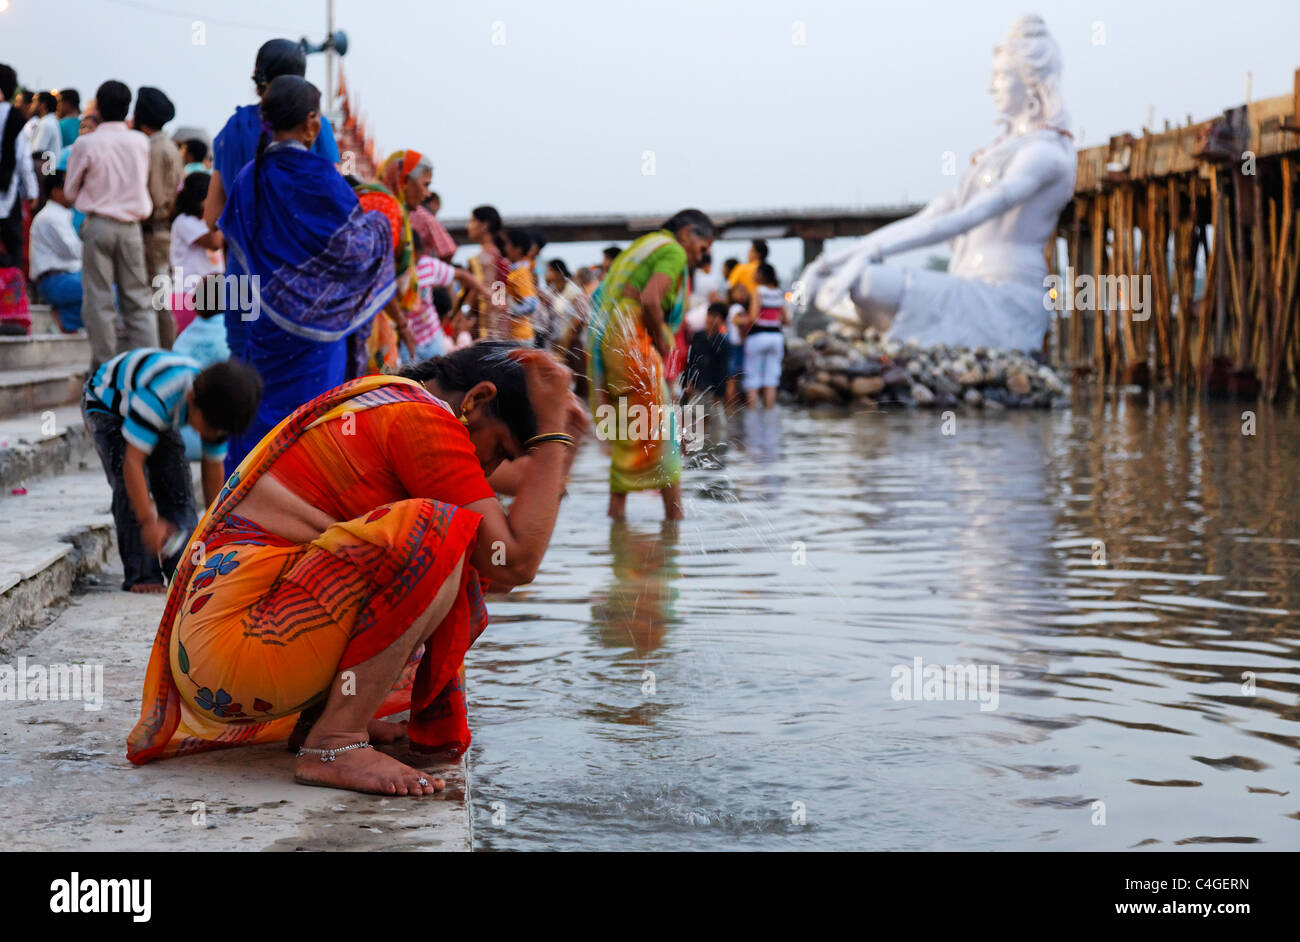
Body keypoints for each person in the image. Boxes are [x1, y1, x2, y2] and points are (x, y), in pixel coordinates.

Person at [125, 345, 588, 798]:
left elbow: (525, 493)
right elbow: (514, 560)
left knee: (447, 536)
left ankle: (320, 720)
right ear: (478, 400)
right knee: (438, 533)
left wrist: (561, 443)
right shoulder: (423, 420)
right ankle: (334, 742)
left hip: (226, 658)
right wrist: (551, 431)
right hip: (233, 652)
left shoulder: (402, 405)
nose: (491, 467)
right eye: (500, 448)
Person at [219, 76, 395, 473]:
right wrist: (381, 224)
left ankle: (243, 513)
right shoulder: (323, 180)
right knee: (311, 429)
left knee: (261, 425)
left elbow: (236, 258)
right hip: (318, 336)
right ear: (312, 124)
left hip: (262, 324)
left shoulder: (249, 178)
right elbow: (355, 251)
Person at [82, 350, 262, 593]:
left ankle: (185, 569)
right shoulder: (163, 394)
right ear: (191, 399)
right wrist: (148, 520)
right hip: (108, 406)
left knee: (179, 488)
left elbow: (213, 466)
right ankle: (142, 574)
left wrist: (216, 525)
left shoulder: (216, 409)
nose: (212, 436)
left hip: (159, 415)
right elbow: (132, 463)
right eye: (210, 428)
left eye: (220, 432)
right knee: (131, 490)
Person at [587, 208, 714, 519]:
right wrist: (664, 340)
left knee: (632, 433)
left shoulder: (642, 246)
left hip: (612, 342)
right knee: (665, 435)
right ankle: (674, 524)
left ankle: (617, 526)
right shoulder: (672, 250)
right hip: (634, 342)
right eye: (703, 248)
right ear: (687, 233)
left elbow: (600, 297)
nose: (702, 257)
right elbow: (650, 299)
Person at [64, 80, 156, 367]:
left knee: (99, 301)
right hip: (131, 229)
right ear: (127, 107)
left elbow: (69, 191)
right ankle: (149, 367)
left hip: (99, 225)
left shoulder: (86, 143)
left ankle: (106, 370)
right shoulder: (140, 141)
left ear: (99, 108)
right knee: (138, 301)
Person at [205, 38, 341, 230]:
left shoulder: (233, 128)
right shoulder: (314, 123)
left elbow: (212, 217)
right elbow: (335, 202)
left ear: (257, 75)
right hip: (301, 256)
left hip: (242, 257)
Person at [134, 87, 183, 348]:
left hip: (153, 234)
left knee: (156, 301)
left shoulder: (153, 150)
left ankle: (162, 354)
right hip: (164, 233)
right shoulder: (171, 147)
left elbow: (151, 199)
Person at [0, 64, 39, 335]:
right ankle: (12, 314)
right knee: (12, 256)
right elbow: (24, 160)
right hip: (8, 197)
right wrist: (32, 192)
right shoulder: (15, 118)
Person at [28, 169, 83, 332]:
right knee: (110, 292)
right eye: (70, 187)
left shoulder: (60, 215)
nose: (74, 192)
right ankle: (66, 321)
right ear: (56, 191)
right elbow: (75, 251)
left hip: (65, 279)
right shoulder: (51, 217)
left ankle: (67, 319)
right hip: (55, 282)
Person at [168, 171, 223, 335]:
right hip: (187, 295)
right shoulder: (184, 222)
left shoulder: (202, 222)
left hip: (209, 296)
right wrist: (222, 214)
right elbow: (215, 243)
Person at [743, 263, 789, 408]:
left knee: (753, 378)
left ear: (762, 275)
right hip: (776, 338)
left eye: (756, 273)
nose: (754, 275)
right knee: (771, 379)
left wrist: (738, 320)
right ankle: (769, 414)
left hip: (758, 336)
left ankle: (752, 416)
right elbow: (787, 320)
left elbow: (753, 317)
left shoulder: (759, 291)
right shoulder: (778, 292)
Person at [462, 204, 509, 339]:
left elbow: (475, 292)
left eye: (472, 221)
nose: (468, 226)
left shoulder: (480, 260)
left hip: (484, 328)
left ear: (484, 226)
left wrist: (461, 314)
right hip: (501, 326)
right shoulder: (500, 257)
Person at [684, 302, 730, 404]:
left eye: (715, 316)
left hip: (712, 390)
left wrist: (720, 393)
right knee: (696, 417)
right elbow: (690, 361)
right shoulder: (697, 336)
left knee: (717, 418)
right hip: (696, 387)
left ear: (722, 321)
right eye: (709, 315)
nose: (711, 319)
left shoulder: (723, 343)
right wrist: (688, 381)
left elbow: (723, 369)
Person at [503, 227, 538, 343]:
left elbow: (531, 303)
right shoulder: (513, 270)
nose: (505, 248)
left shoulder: (521, 272)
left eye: (507, 244)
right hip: (515, 336)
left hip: (520, 337)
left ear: (518, 249)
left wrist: (509, 315)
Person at [724, 281, 749, 404]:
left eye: (744, 291)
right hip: (735, 344)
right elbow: (736, 320)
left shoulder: (733, 307)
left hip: (733, 344)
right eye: (739, 291)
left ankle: (731, 403)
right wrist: (752, 319)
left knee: (733, 376)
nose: (743, 294)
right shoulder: (737, 307)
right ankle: (731, 404)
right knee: (733, 377)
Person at [417, 192, 457, 261]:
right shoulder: (427, 217)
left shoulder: (407, 212)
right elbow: (448, 251)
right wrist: (440, 268)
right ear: (435, 202)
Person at [29, 91, 62, 169]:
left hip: (45, 173)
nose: (31, 105)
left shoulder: (46, 124)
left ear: (42, 105)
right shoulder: (50, 121)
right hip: (48, 171)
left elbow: (36, 152)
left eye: (34, 102)